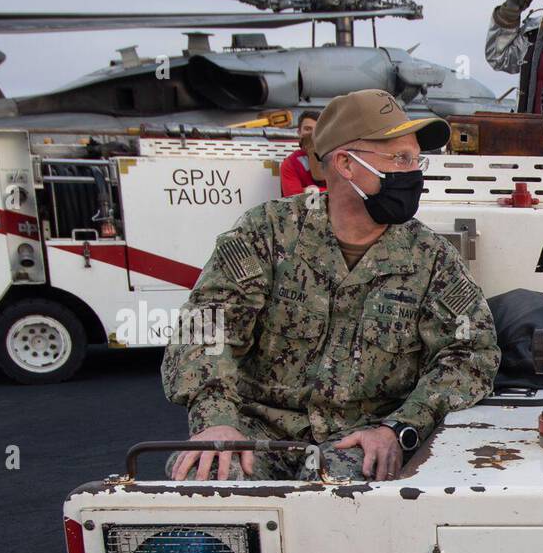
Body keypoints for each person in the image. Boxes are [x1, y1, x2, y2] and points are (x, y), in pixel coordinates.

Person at [163, 88, 500, 482]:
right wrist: (216, 420)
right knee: (206, 479)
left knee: (338, 490)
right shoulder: (268, 233)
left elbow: (470, 353)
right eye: (400, 159)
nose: (414, 173)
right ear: (345, 164)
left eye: (416, 160)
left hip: (361, 439)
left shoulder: (430, 258)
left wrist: (401, 427)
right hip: (257, 432)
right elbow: (204, 328)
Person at [280, 110, 325, 197]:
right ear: (299, 132)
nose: (312, 134)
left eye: (317, 130)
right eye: (308, 129)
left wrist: (308, 191)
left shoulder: (334, 158)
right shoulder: (290, 163)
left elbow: (344, 192)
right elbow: (293, 196)